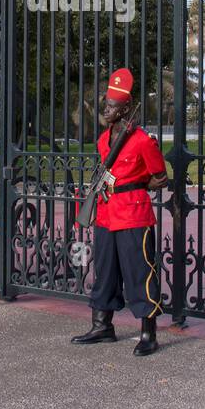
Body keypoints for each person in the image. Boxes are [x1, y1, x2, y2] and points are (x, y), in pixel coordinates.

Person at [71, 68, 169, 356]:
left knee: (139, 272)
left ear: (126, 108)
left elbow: (160, 177)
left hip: (133, 215)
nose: (106, 109)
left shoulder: (142, 141)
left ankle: (148, 334)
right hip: (106, 213)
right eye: (105, 104)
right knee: (105, 271)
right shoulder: (103, 140)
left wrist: (137, 184)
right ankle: (102, 326)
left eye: (112, 106)